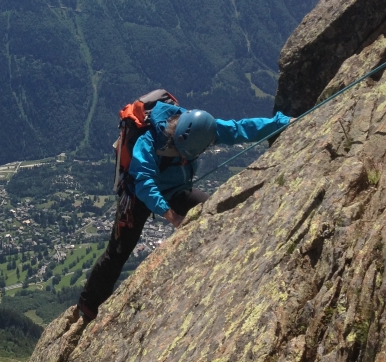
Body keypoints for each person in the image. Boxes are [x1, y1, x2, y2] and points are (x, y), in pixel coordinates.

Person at [76, 101, 290, 321]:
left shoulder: (201, 130)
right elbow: (144, 184)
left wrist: (281, 123)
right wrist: (172, 215)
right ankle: (88, 305)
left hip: (175, 190)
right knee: (118, 252)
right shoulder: (148, 142)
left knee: (215, 212)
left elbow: (239, 129)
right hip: (136, 197)